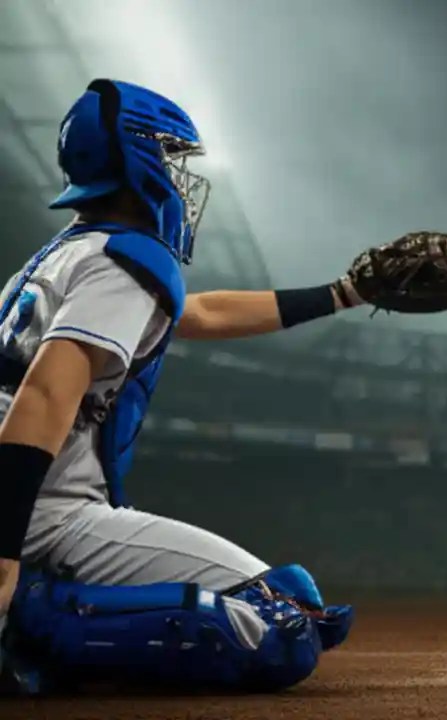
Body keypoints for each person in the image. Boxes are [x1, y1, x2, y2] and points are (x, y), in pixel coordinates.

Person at [0, 79, 364, 694]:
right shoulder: (129, 256)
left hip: (38, 503)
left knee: (290, 595)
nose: (179, 173)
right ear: (138, 158)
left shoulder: (65, 257)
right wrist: (4, 546)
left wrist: (347, 293)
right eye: (171, 154)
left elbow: (203, 315)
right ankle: (23, 629)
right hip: (43, 514)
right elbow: (45, 393)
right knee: (279, 628)